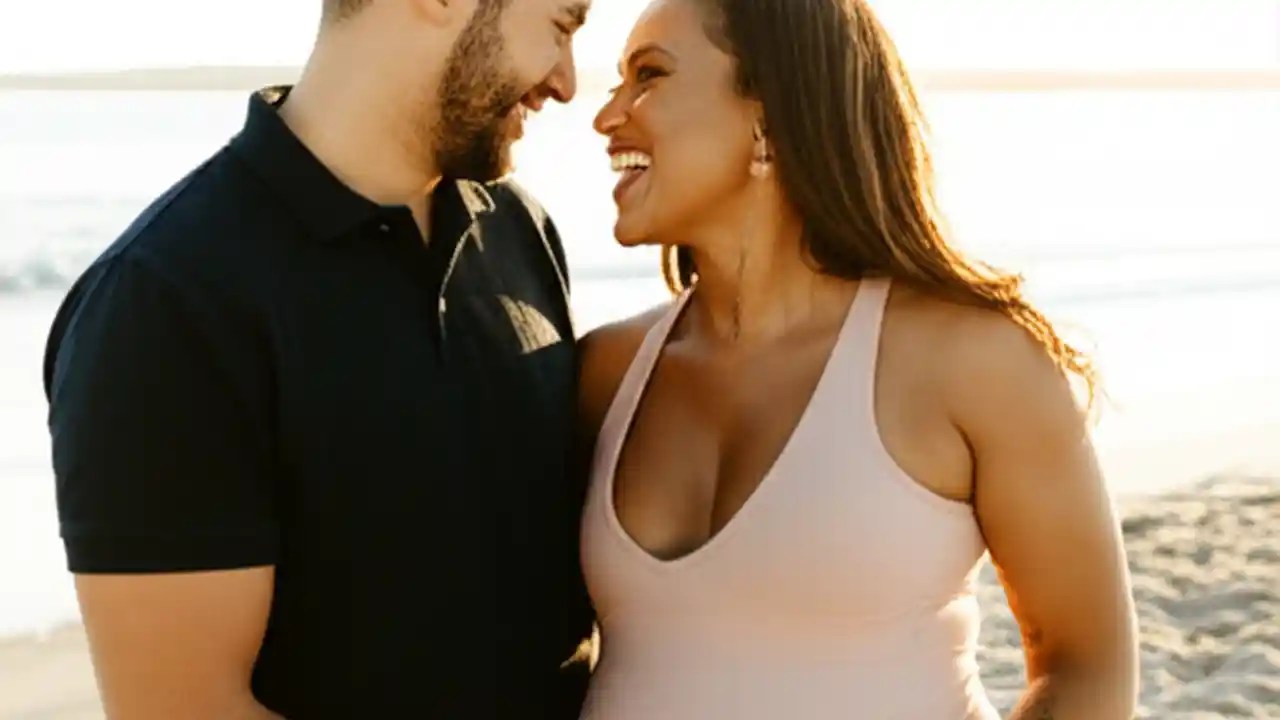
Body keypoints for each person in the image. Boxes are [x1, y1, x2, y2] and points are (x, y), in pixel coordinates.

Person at [577, 0, 1139, 718]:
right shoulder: (606, 373)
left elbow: (1088, 670)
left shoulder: (972, 361)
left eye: (648, 76)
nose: (607, 116)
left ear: (770, 113)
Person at [42, 0, 595, 717]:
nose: (568, 82)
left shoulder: (522, 230)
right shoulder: (165, 302)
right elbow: (183, 708)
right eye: (562, 25)